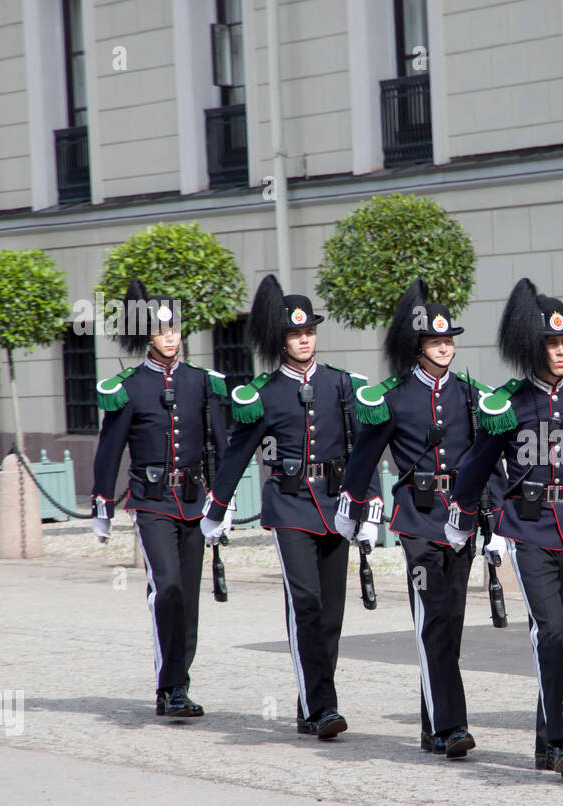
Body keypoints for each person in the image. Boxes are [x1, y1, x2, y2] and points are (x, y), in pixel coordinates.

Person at [445, 278, 563, 780]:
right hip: (527, 529)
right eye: (552, 343)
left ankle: (547, 740)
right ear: (534, 347)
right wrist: (467, 521)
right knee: (548, 632)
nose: (562, 351)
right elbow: (476, 467)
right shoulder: (508, 403)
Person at [334, 279, 502, 760]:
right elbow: (364, 456)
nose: (444, 348)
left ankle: (432, 726)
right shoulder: (394, 396)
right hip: (417, 522)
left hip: (462, 521)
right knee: (432, 620)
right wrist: (359, 507)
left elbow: (485, 461)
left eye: (449, 340)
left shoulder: (472, 395)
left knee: (450, 621)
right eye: (435, 341)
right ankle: (452, 727)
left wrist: (497, 524)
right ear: (418, 346)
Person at [201, 275, 371, 740]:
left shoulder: (342, 385)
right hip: (289, 505)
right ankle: (324, 706)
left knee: (332, 613)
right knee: (306, 605)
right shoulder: (264, 392)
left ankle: (309, 702)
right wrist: (218, 506)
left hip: (335, 505)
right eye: (296, 334)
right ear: (282, 340)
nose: (304, 340)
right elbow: (237, 453)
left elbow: (364, 447)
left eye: (309, 333)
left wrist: (369, 502)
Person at [92, 280, 228, 719]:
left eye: (174, 329)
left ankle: (177, 688)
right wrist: (101, 505)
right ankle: (168, 684)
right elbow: (109, 449)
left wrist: (224, 502)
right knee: (166, 588)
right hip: (150, 502)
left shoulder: (202, 383)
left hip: (194, 501)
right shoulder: (129, 387)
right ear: (147, 336)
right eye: (160, 330)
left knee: (188, 597)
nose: (170, 337)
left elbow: (222, 444)